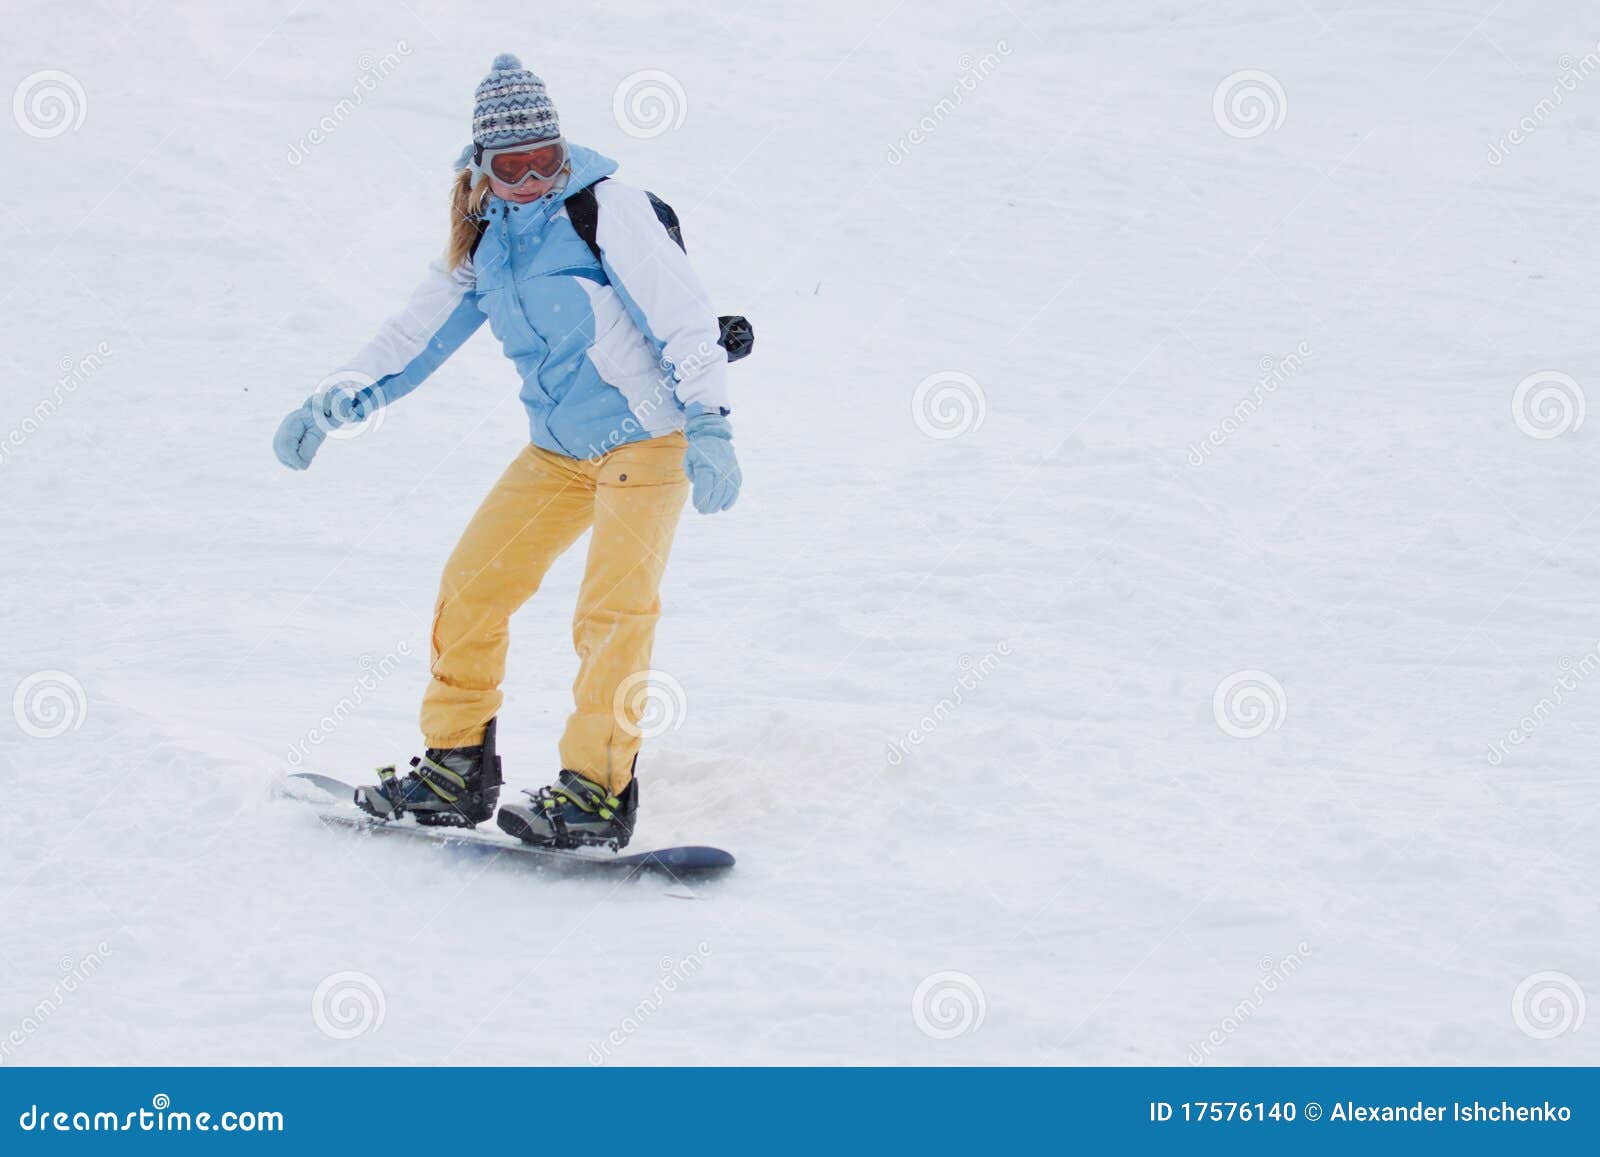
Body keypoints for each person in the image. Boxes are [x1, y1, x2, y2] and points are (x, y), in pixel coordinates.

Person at [272, 53, 740, 851]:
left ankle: (596, 789)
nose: (529, 180)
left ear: (564, 151)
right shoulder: (485, 240)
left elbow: (684, 314)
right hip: (558, 452)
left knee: (612, 613)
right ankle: (456, 767)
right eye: (510, 167)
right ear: (480, 169)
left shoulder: (606, 207)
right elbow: (414, 334)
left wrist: (710, 422)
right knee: (473, 587)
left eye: (544, 162)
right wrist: (343, 392)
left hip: (647, 439)